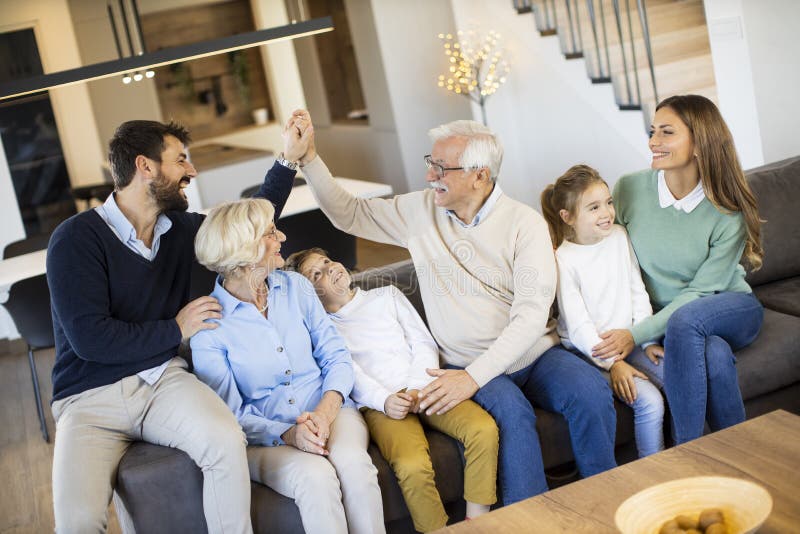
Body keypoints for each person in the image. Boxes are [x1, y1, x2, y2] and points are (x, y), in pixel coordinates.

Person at [283, 109, 617, 506]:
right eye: (431, 164)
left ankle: (611, 510)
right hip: (465, 360)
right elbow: (349, 213)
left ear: (480, 175)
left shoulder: (524, 225)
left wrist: (471, 379)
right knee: (513, 418)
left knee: (591, 392)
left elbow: (530, 317)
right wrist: (309, 160)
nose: (429, 176)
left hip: (533, 356)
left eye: (441, 167)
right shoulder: (420, 211)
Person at [46, 118, 298, 533]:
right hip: (88, 400)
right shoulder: (75, 239)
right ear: (145, 167)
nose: (191, 171)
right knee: (77, 521)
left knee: (224, 441)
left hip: (163, 381)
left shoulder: (183, 232)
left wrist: (287, 160)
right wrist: (175, 330)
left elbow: (248, 225)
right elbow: (91, 340)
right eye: (180, 160)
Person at [191, 200, 385, 534]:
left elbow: (335, 354)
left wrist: (325, 412)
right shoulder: (210, 329)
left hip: (331, 411)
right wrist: (288, 433)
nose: (281, 236)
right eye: (270, 233)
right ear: (244, 252)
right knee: (316, 479)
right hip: (266, 439)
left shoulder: (296, 287)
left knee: (354, 466)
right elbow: (229, 414)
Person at [284, 247, 498, 531]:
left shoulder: (387, 296)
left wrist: (417, 386)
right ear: (310, 297)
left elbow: (422, 342)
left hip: (425, 387)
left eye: (327, 261)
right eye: (317, 274)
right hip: (381, 407)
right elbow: (349, 373)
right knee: (411, 465)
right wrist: (385, 400)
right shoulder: (324, 330)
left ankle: (478, 521)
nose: (330, 268)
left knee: (482, 429)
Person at [607, 94, 764, 444]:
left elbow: (700, 294)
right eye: (652, 131)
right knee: (714, 354)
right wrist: (640, 332)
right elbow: (609, 263)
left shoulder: (727, 209)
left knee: (688, 318)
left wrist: (636, 334)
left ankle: (686, 451)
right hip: (672, 321)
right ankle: (738, 453)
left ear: (699, 143)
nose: (653, 142)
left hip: (730, 306)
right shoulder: (630, 189)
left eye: (666, 132)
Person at [541, 164, 666, 457]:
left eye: (608, 203)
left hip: (629, 341)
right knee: (650, 402)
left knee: (677, 377)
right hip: (589, 354)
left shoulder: (620, 236)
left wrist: (646, 340)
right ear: (567, 217)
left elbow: (638, 291)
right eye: (594, 207)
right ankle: (658, 473)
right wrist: (613, 364)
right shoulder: (563, 259)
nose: (607, 213)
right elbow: (580, 327)